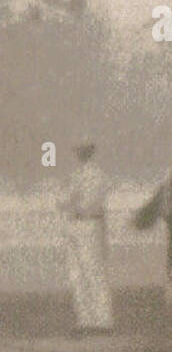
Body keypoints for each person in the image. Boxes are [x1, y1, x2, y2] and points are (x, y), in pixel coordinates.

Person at [60, 140, 114, 333]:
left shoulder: (94, 175)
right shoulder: (80, 175)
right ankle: (87, 320)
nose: (79, 154)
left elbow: (71, 201)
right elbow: (65, 201)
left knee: (92, 272)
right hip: (78, 223)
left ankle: (101, 320)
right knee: (78, 273)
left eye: (81, 151)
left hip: (89, 222)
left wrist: (71, 199)